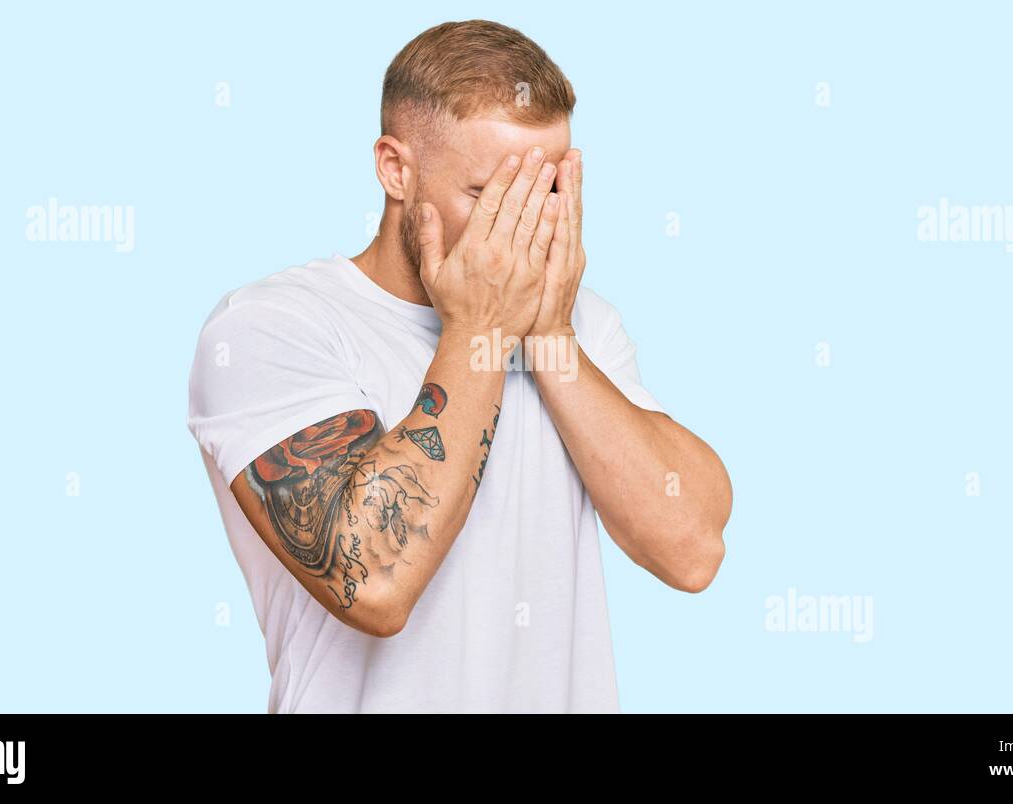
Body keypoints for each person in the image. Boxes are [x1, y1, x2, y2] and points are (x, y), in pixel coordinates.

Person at [187, 19, 732, 713]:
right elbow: (373, 585)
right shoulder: (272, 328)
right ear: (395, 170)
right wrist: (482, 328)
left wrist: (552, 339)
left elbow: (693, 551)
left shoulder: (580, 324)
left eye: (548, 191)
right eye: (491, 195)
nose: (529, 224)